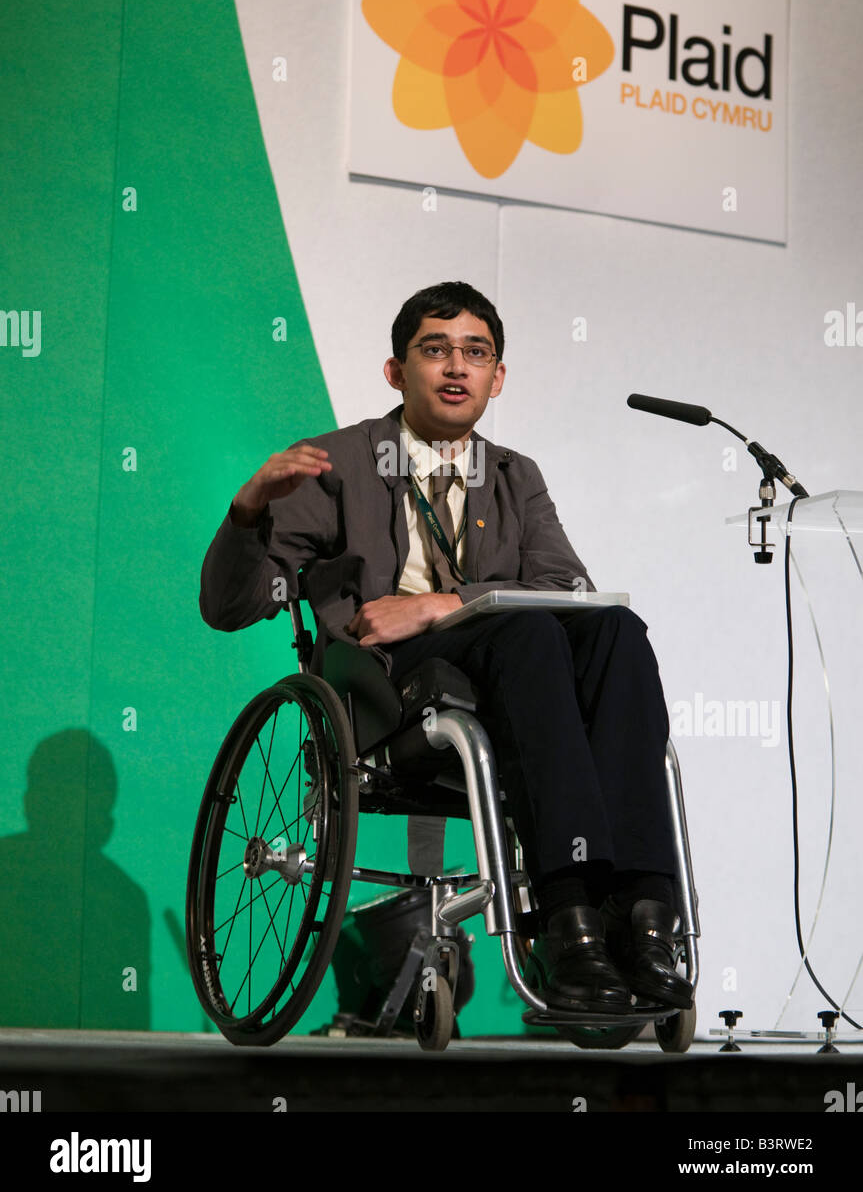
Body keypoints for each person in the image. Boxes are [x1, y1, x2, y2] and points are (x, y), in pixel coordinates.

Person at [200, 281, 692, 1016]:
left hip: (517, 680)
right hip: (387, 688)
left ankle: (649, 913)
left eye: (476, 353)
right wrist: (245, 514)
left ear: (498, 376)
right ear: (396, 371)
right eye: (435, 350)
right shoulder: (334, 465)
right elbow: (230, 607)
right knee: (529, 632)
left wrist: (439, 605)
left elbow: (563, 581)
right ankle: (569, 920)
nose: (456, 367)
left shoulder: (512, 474)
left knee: (617, 629)